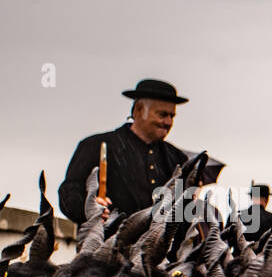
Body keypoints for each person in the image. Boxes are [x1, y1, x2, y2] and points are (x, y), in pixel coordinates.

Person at [57, 79, 190, 224]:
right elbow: (68, 194)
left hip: (160, 246)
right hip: (106, 243)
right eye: (162, 114)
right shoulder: (96, 145)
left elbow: (183, 216)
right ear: (139, 109)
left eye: (172, 116)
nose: (168, 122)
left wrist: (189, 201)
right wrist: (89, 208)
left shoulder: (177, 159)